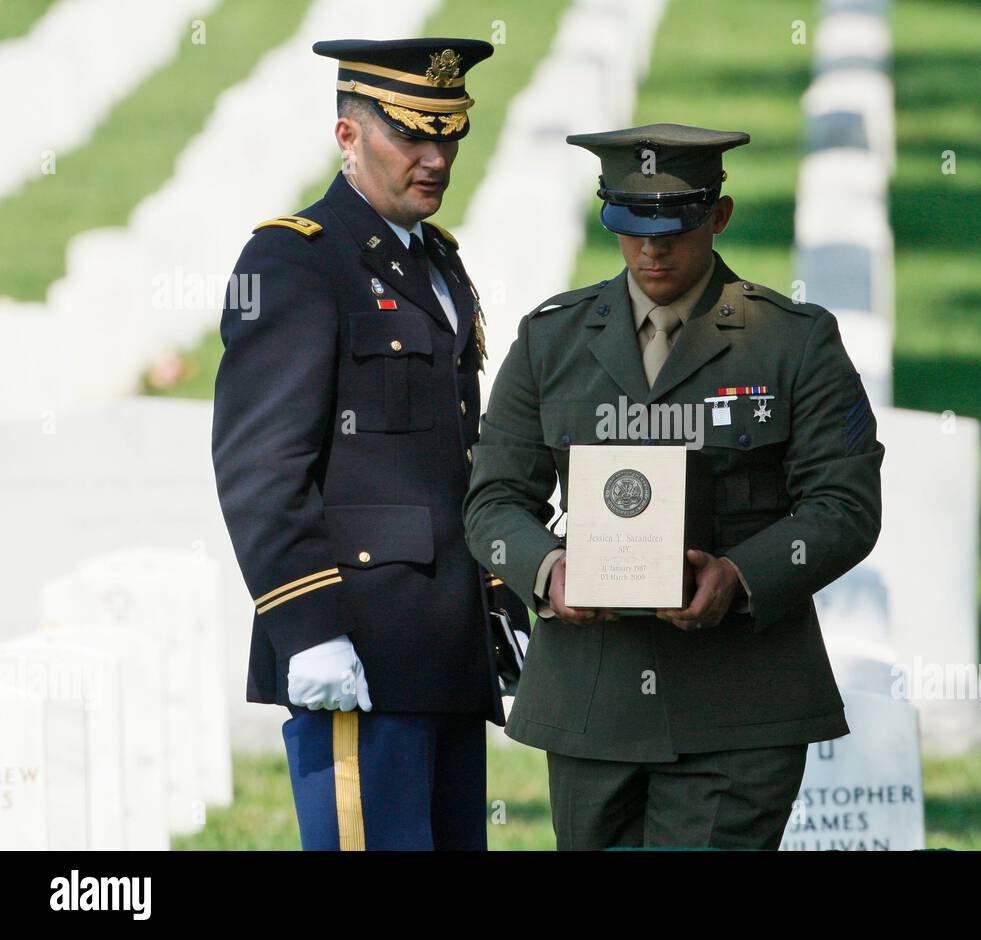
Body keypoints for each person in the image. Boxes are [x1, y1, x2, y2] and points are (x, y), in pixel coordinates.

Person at [462, 123, 886, 850]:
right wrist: (546, 569)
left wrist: (741, 576)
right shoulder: (550, 340)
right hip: (591, 704)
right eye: (631, 228)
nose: (651, 249)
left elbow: (845, 504)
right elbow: (494, 500)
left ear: (717, 217)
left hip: (739, 705)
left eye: (674, 227)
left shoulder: (794, 342)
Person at [211, 37, 522, 851]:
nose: (436, 157)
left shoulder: (436, 262)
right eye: (412, 135)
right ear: (348, 136)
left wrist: (497, 595)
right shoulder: (294, 260)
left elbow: (451, 452)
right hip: (358, 643)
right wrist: (307, 624)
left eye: (448, 134)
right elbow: (260, 466)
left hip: (445, 649)